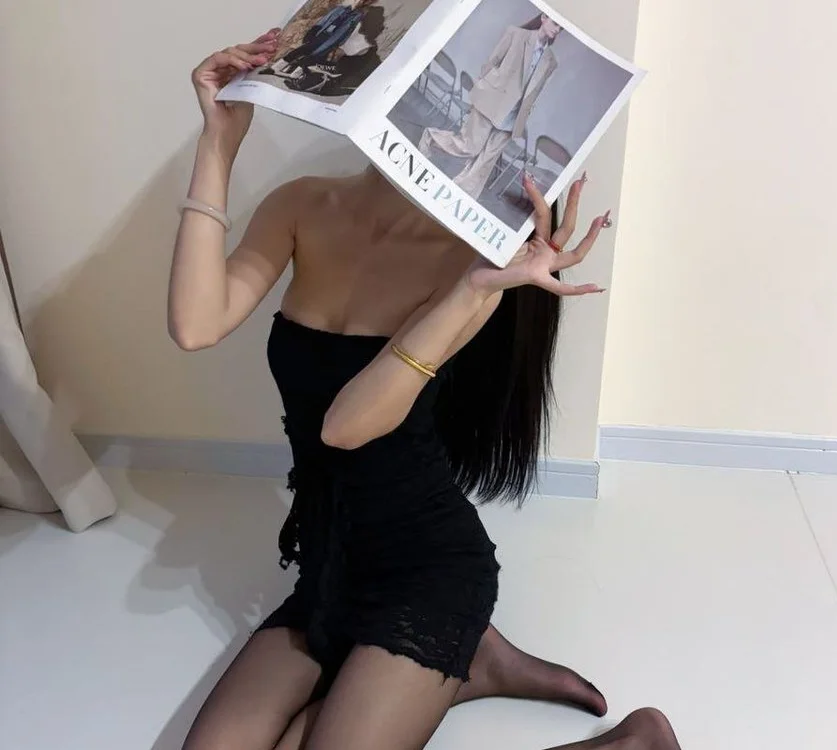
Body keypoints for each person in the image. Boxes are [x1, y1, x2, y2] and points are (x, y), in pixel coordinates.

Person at [170, 28, 683, 750]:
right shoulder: (301, 205)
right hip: (330, 566)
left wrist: (473, 290)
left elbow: (346, 426)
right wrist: (219, 143)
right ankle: (472, 666)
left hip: (429, 573)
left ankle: (621, 739)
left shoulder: (470, 266)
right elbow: (195, 325)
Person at [419, 14, 561, 201]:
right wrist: (485, 89)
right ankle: (430, 137)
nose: (557, 30)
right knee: (469, 146)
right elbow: (492, 61)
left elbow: (537, 91)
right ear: (544, 17)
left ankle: (461, 193)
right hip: (492, 101)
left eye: (560, 28)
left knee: (486, 161)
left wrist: (527, 111)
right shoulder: (516, 34)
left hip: (515, 116)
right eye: (555, 23)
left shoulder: (551, 61)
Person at [262, 0, 381, 81]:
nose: (363, 3)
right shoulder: (341, 9)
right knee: (300, 51)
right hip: (322, 33)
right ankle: (274, 68)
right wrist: (314, 30)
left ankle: (295, 75)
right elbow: (325, 19)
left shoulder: (357, 17)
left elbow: (348, 31)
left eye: (368, 2)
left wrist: (340, 42)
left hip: (332, 39)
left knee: (314, 57)